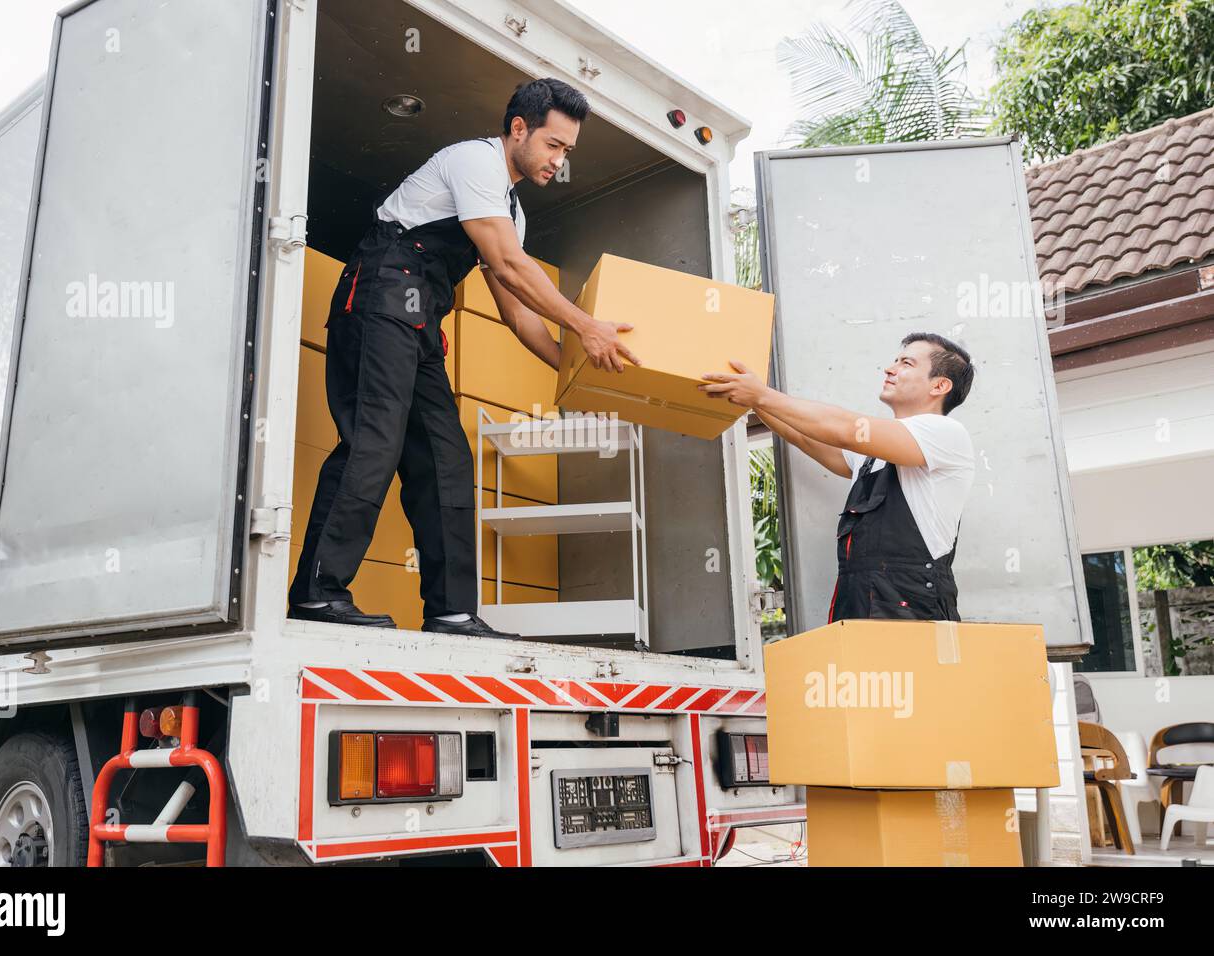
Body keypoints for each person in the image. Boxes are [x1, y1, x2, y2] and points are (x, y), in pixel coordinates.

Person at [288, 78, 640, 637]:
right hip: (380, 299)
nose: (559, 160)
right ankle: (317, 595)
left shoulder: (511, 212)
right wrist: (586, 325)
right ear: (518, 128)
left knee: (446, 462)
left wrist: (571, 370)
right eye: (553, 144)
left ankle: (451, 611)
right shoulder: (474, 162)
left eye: (567, 150)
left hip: (421, 324)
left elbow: (517, 311)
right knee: (374, 443)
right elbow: (506, 265)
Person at [700, 333, 975, 622]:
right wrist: (757, 403)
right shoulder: (873, 455)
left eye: (906, 363)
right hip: (859, 605)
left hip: (914, 614)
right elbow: (807, 438)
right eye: (895, 360)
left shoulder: (946, 434)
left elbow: (844, 429)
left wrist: (762, 395)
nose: (890, 368)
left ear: (940, 385)